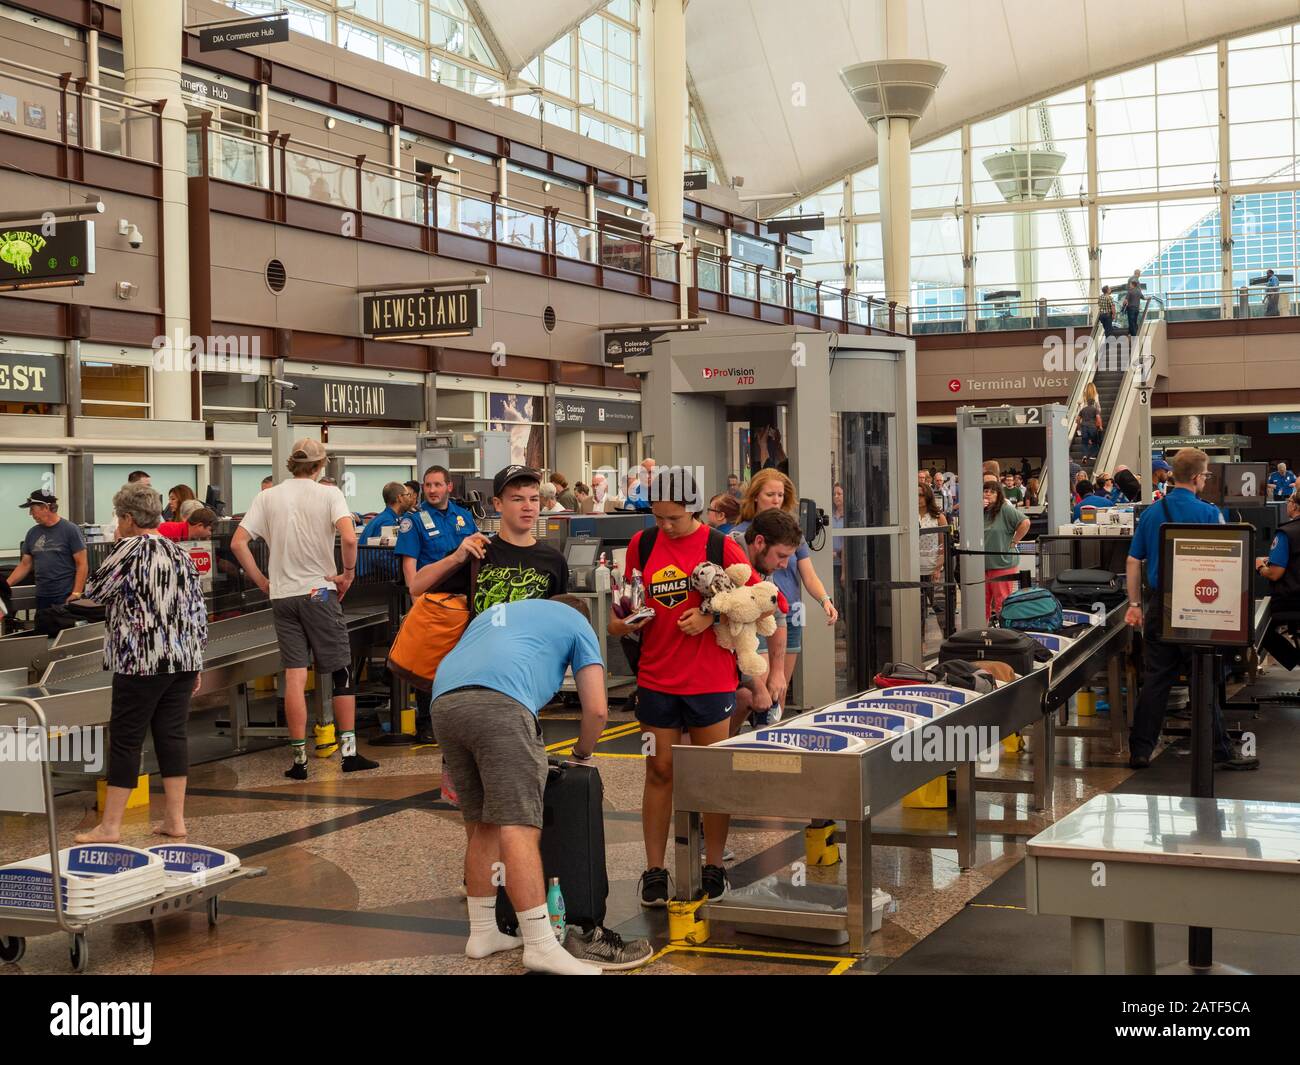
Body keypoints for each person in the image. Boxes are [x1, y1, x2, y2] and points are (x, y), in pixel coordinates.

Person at [430, 596, 649, 973]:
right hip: (499, 704)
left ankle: (482, 932)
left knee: (483, 823)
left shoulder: (501, 614)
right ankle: (541, 944)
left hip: (443, 702)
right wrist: (582, 753)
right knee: (518, 825)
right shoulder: (578, 622)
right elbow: (596, 708)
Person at [608, 466, 779, 907]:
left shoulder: (720, 545)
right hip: (655, 679)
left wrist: (712, 615)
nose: (664, 526)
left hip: (709, 681)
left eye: (673, 518)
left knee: (710, 777)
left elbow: (763, 601)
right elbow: (627, 604)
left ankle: (714, 865)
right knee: (658, 771)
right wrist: (630, 619)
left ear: (695, 510)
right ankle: (653, 871)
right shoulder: (641, 544)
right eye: (657, 517)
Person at [231, 438, 379, 780]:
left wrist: (262, 581)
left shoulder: (267, 497)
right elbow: (351, 538)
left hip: (282, 596)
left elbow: (238, 542)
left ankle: (299, 762)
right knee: (340, 670)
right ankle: (349, 754)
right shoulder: (329, 494)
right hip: (318, 593)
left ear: (290, 465)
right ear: (320, 465)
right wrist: (347, 574)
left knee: (295, 676)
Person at [73, 483, 207, 844]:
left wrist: (117, 544)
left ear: (129, 518)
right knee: (172, 736)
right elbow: (198, 609)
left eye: (119, 516)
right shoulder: (177, 551)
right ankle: (175, 821)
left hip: (140, 662)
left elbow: (96, 593)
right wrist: (197, 660)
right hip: (182, 659)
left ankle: (111, 826)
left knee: (127, 739)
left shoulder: (128, 549)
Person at [1125, 447, 1258, 770]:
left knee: (1156, 679)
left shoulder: (1152, 513)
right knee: (1203, 678)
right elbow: (1226, 563)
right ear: (1198, 477)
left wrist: (1134, 605)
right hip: (1200, 606)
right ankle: (1219, 749)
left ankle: (1140, 751)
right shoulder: (1210, 514)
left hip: (1159, 606)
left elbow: (1133, 561)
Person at [731, 469, 838, 713]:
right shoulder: (742, 534)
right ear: (756, 496)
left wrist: (825, 600)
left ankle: (771, 735)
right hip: (757, 615)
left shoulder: (792, 531)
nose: (776, 500)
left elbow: (808, 575)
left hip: (789, 611)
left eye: (780, 495)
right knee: (760, 687)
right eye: (770, 494)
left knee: (779, 687)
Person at [395, 464, 480, 743]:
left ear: (449, 487)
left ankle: (460, 718)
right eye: (428, 485)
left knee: (462, 661)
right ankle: (427, 723)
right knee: (429, 662)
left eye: (437, 485)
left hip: (463, 602)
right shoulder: (414, 520)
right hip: (431, 603)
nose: (432, 490)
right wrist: (416, 602)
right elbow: (410, 565)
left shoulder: (464, 516)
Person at [412, 466, 567, 611]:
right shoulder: (478, 553)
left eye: (533, 499)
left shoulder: (554, 561)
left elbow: (557, 620)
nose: (528, 507)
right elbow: (416, 586)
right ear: (498, 504)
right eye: (517, 499)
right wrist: (454, 559)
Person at [729, 508, 798, 734]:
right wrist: (758, 687)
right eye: (781, 556)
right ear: (759, 541)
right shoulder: (730, 563)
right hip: (710, 650)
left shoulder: (761, 564)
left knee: (766, 685)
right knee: (750, 694)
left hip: (739, 641)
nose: (784, 565)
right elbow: (729, 629)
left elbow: (777, 613)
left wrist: (778, 672)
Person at [3, 490, 87, 635]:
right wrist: (4, 585)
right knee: (43, 637)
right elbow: (25, 565)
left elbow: (82, 564)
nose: (30, 514)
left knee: (61, 641)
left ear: (46, 508)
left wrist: (77, 592)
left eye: (32, 509)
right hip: (42, 596)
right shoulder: (32, 533)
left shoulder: (70, 530)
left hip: (65, 596)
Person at [1256, 493, 1300, 669]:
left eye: (1289, 501)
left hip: (1290, 601)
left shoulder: (1286, 533)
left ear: (1295, 506)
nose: (1287, 504)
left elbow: (1275, 574)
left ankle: (1294, 659)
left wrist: (1259, 566)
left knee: (1257, 629)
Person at [982, 479, 1029, 622]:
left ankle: (1005, 634)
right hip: (981, 566)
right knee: (980, 603)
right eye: (985, 491)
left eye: (992, 492)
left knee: (1002, 602)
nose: (988, 494)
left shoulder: (1005, 509)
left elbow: (1025, 522)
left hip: (1002, 564)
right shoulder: (979, 511)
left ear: (999, 495)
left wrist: (1015, 541)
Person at [918, 483, 948, 628]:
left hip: (932, 567)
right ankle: (920, 640)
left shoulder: (938, 517)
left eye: (921, 495)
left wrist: (938, 568)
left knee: (939, 608)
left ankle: (947, 639)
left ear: (928, 496)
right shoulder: (908, 516)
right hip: (914, 568)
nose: (918, 498)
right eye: (916, 495)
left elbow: (943, 545)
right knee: (917, 610)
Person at [1076, 382, 1103, 463]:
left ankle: (1084, 455)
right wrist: (1100, 425)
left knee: (1084, 442)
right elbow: (1098, 411)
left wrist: (1079, 426)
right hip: (1092, 424)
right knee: (1095, 441)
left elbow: (1077, 417)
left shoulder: (1084, 396)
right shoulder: (1096, 396)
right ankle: (1092, 455)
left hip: (1084, 424)